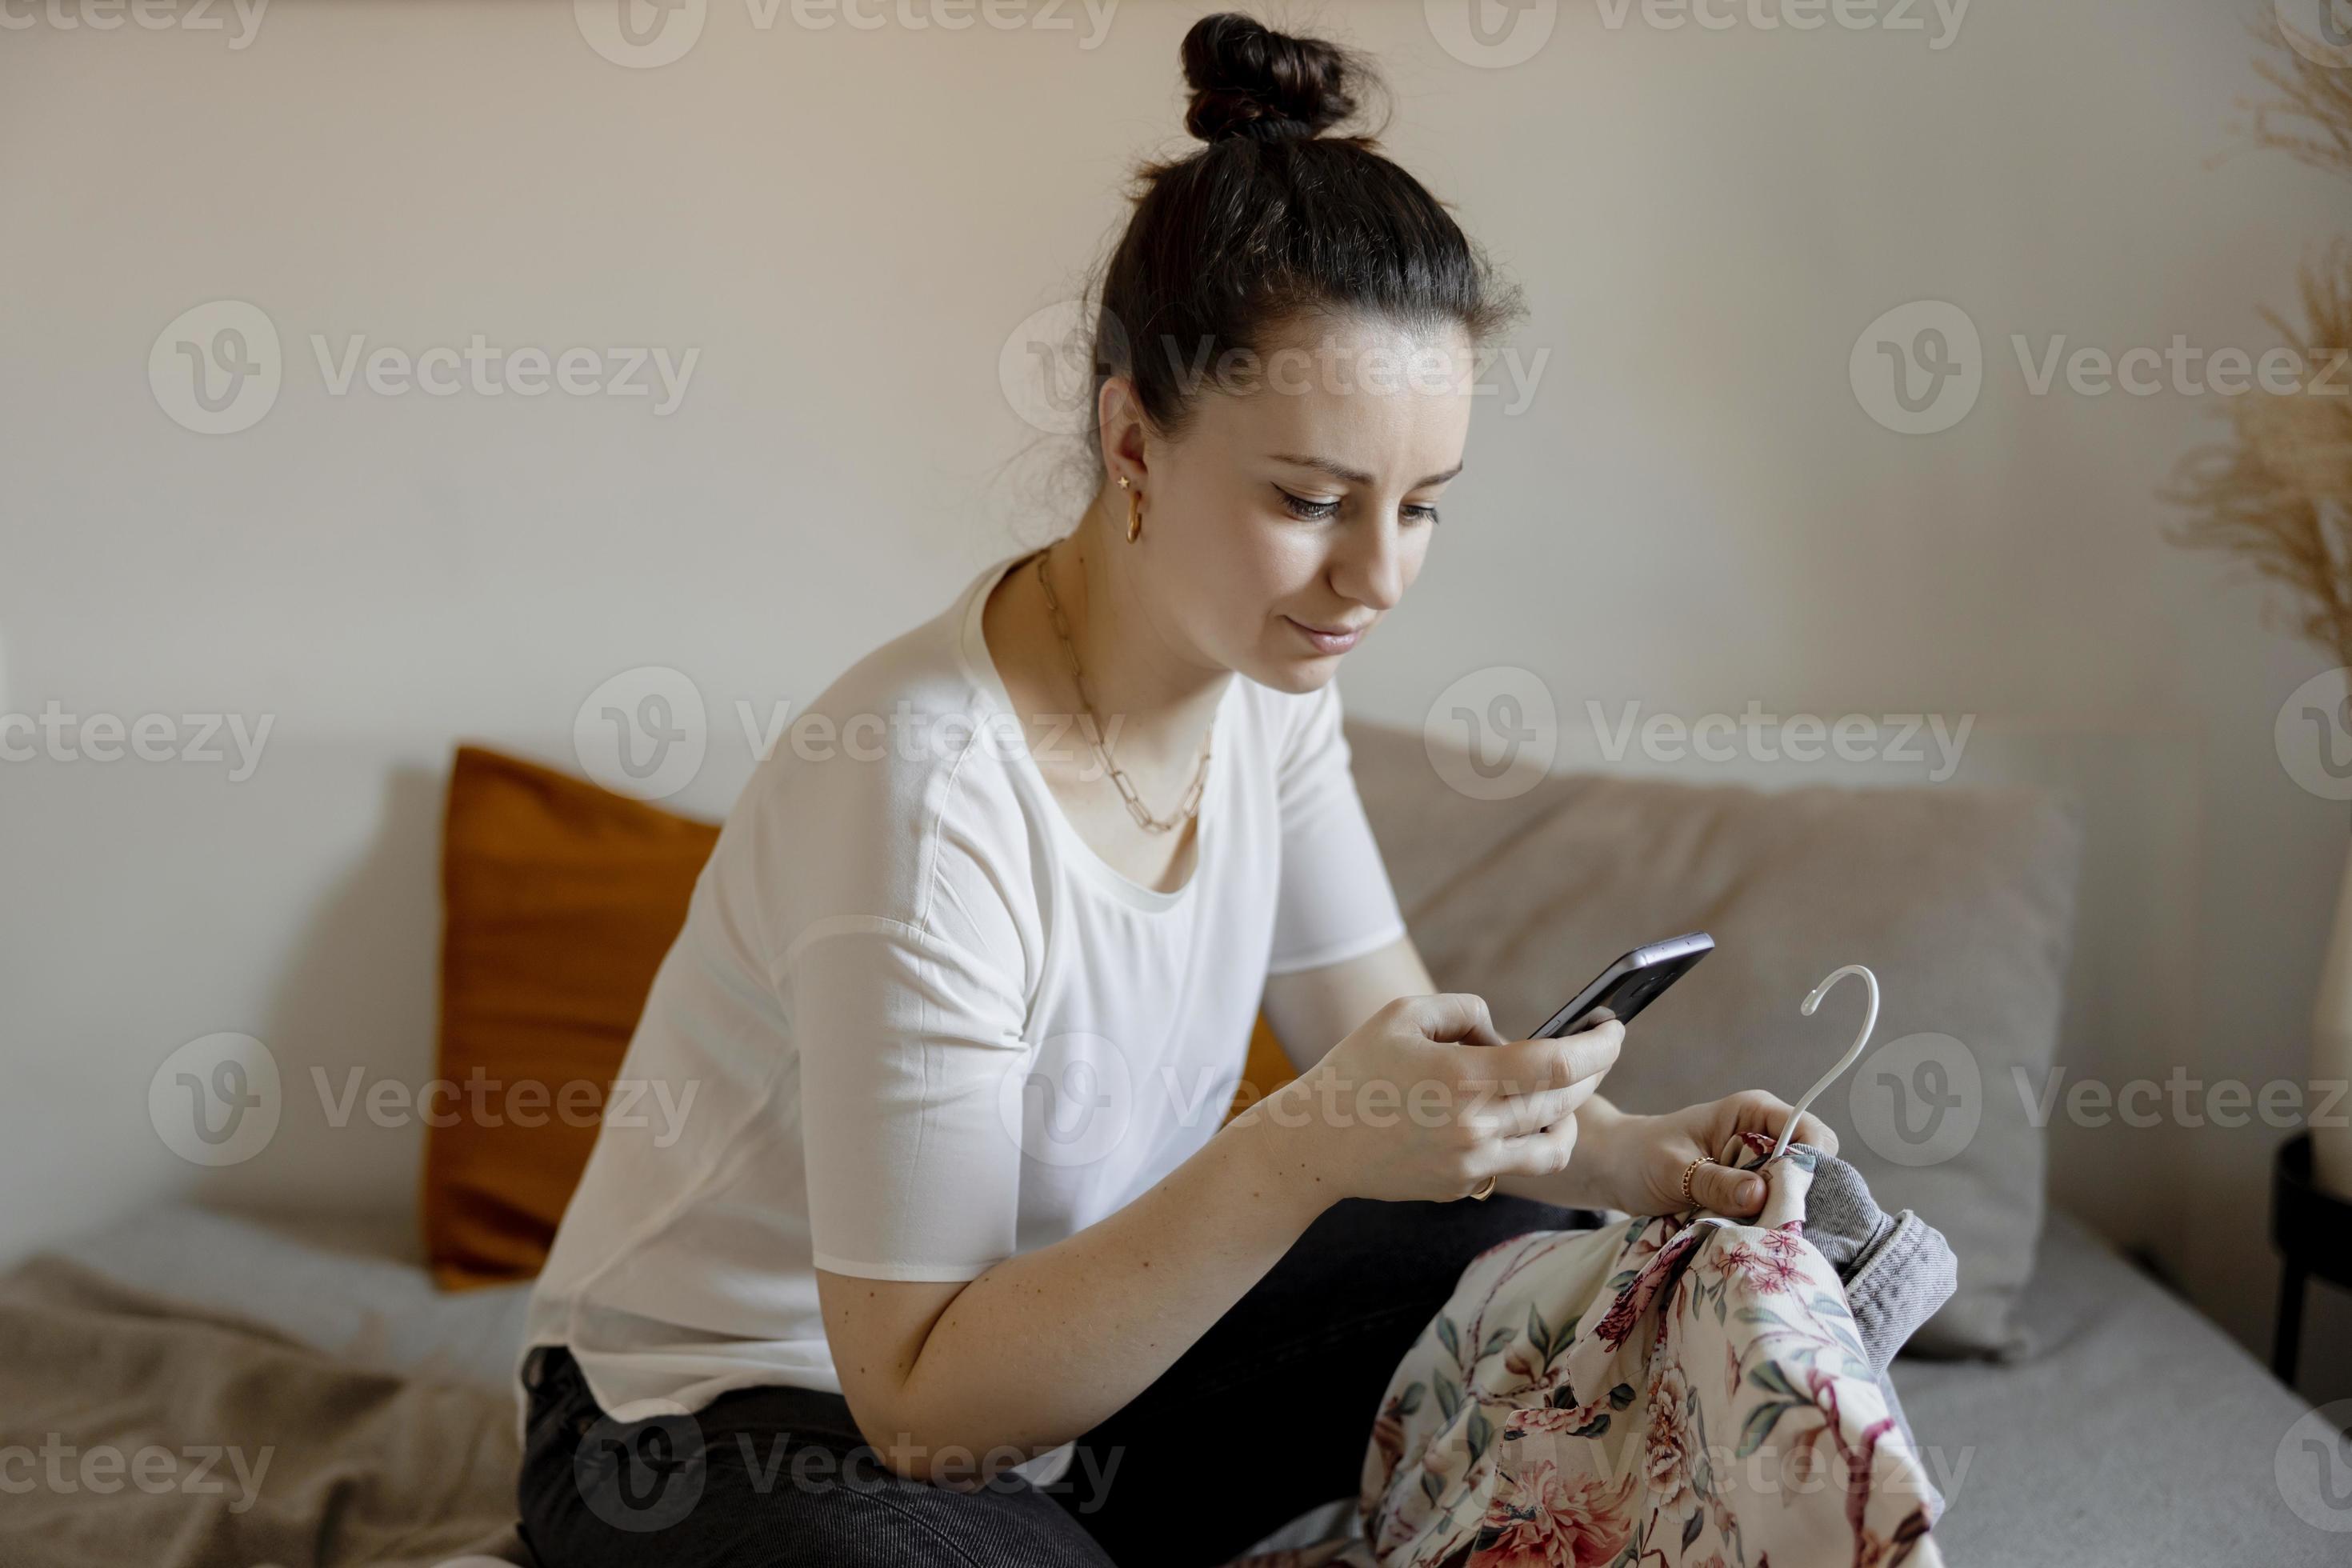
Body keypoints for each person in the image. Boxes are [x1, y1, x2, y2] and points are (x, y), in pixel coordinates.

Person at [513, 14, 1834, 1566]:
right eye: (1310, 500)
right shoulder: (920, 786)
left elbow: (1393, 1050)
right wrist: (1295, 1149)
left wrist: (1635, 1153)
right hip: (746, 1417)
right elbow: (922, 1407)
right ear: (1130, 434)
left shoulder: (1266, 686)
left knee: (1501, 1231)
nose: (1375, 576)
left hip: (1073, 1382)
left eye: (1421, 509)